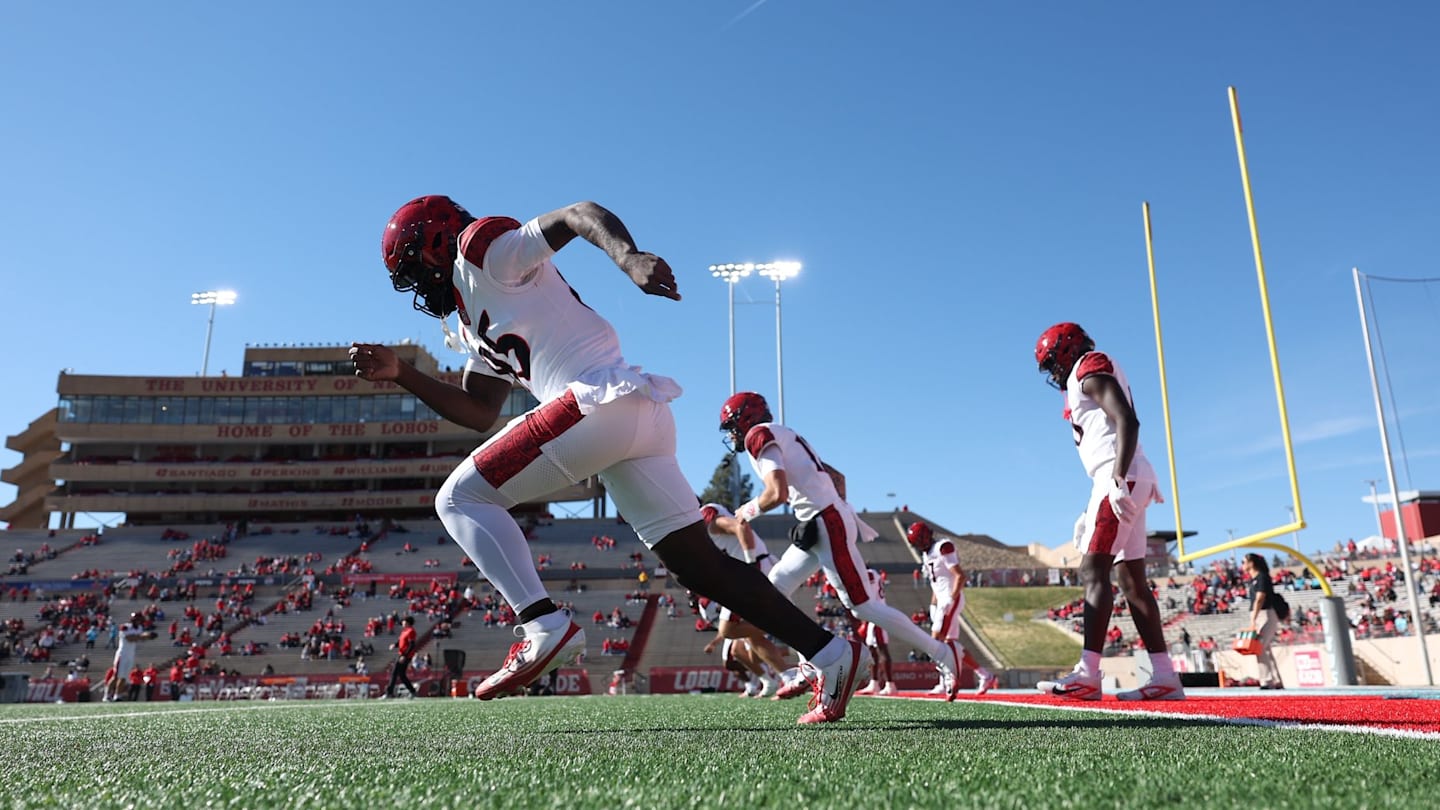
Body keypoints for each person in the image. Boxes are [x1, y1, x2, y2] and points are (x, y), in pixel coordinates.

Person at [358, 196, 865, 723]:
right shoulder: (468, 318)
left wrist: (629, 257)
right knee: (701, 567)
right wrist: (403, 374)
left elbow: (576, 214)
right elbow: (478, 410)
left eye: (415, 269)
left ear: (438, 244)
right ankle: (831, 654)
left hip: (596, 401)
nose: (417, 286)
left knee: (459, 497)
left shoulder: (481, 248)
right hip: (632, 413)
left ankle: (542, 625)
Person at [719, 391, 965, 700]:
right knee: (775, 588)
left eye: (732, 426)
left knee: (863, 605)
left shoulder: (759, 434)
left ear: (746, 420)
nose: (732, 434)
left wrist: (747, 511)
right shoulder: (783, 433)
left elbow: (777, 493)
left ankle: (942, 653)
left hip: (825, 522)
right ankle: (808, 664)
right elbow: (837, 475)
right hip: (820, 522)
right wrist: (832, 505)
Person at [1032, 323, 1183, 701]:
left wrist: (1116, 478)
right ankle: (1164, 675)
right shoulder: (1088, 370)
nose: (1053, 372)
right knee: (1131, 580)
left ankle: (1088, 672)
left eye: (1053, 362)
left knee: (1092, 569)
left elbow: (1127, 419)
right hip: (1127, 473)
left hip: (1120, 474)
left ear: (1067, 351)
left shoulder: (1088, 366)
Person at [906, 521, 998, 695]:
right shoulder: (927, 555)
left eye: (918, 541)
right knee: (950, 644)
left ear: (925, 537)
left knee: (938, 642)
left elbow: (960, 576)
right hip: (940, 600)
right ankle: (984, 674)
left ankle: (951, 679)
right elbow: (936, 584)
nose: (917, 545)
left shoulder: (944, 547)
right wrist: (933, 606)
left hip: (951, 598)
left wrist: (950, 598)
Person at [1242, 553, 1283, 689]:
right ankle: (1276, 680)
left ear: (1251, 563)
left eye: (1244, 562)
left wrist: (1254, 617)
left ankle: (1267, 680)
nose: (1242, 565)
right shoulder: (1253, 579)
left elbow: (1260, 598)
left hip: (1264, 614)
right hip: (1258, 614)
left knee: (1259, 647)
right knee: (1265, 648)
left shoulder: (1262, 577)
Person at [853, 569, 897, 696]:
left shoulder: (869, 574)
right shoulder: (868, 574)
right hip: (872, 615)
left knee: (882, 648)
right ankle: (874, 683)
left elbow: (867, 598)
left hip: (878, 613)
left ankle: (890, 684)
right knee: (872, 650)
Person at [104, 613, 156, 702]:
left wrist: (148, 636)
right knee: (116, 676)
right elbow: (129, 638)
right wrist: (143, 636)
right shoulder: (125, 627)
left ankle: (117, 695)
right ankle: (107, 695)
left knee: (123, 677)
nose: (140, 622)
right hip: (122, 654)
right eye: (138, 620)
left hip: (130, 655)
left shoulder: (139, 628)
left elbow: (140, 638)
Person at [382, 615, 420, 699]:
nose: (402, 623)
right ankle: (413, 691)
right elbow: (400, 641)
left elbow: (411, 645)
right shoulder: (404, 631)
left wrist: (404, 656)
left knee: (394, 673)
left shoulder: (411, 631)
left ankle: (389, 693)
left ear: (408, 623)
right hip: (401, 654)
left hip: (405, 655)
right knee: (402, 675)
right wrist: (395, 645)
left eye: (404, 621)